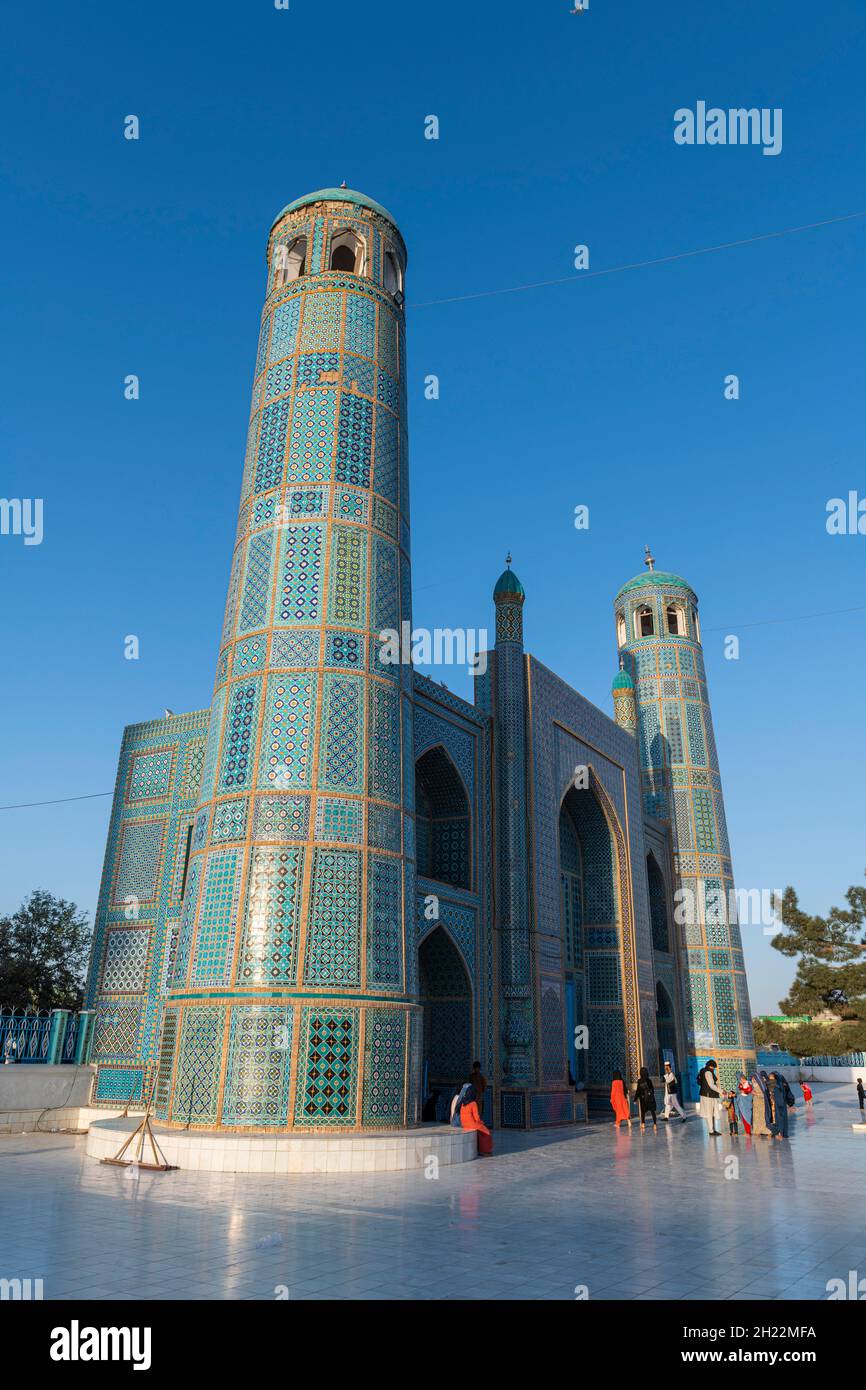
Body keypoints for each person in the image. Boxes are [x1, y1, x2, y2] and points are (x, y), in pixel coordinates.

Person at [459, 1084, 493, 1155]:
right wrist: (481, 1123)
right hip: (472, 1124)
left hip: (464, 1124)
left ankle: (481, 1149)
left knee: (480, 1133)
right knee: (487, 1133)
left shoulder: (463, 1103)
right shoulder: (473, 1103)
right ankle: (485, 1151)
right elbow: (476, 1118)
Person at [698, 1059, 722, 1136]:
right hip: (708, 1095)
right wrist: (721, 1091)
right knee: (709, 1113)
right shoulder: (708, 1072)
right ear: (711, 1066)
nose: (713, 1069)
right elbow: (711, 1085)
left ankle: (712, 1129)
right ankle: (711, 1131)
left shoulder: (703, 1070)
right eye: (713, 1068)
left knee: (710, 1113)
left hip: (705, 1094)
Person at [634, 1066, 658, 1132]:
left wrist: (635, 1099)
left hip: (643, 1099)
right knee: (653, 1112)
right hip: (650, 1099)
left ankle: (643, 1123)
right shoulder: (649, 1080)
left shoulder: (639, 1081)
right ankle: (655, 1124)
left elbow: (638, 1091)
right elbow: (652, 1090)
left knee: (643, 1112)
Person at [768, 1072, 789, 1140]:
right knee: (774, 1120)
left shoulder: (779, 1085)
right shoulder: (771, 1084)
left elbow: (781, 1096)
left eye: (772, 1078)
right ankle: (775, 1132)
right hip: (773, 1105)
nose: (771, 1080)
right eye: (769, 1078)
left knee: (780, 1119)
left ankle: (781, 1133)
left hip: (779, 1106)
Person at [750, 1071, 772, 1137]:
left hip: (761, 1104)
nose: (752, 1080)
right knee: (756, 1118)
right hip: (755, 1104)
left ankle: (767, 1131)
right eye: (752, 1078)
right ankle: (757, 1131)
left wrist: (756, 1094)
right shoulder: (753, 1085)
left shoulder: (762, 1085)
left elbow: (764, 1095)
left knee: (763, 1118)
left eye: (754, 1078)